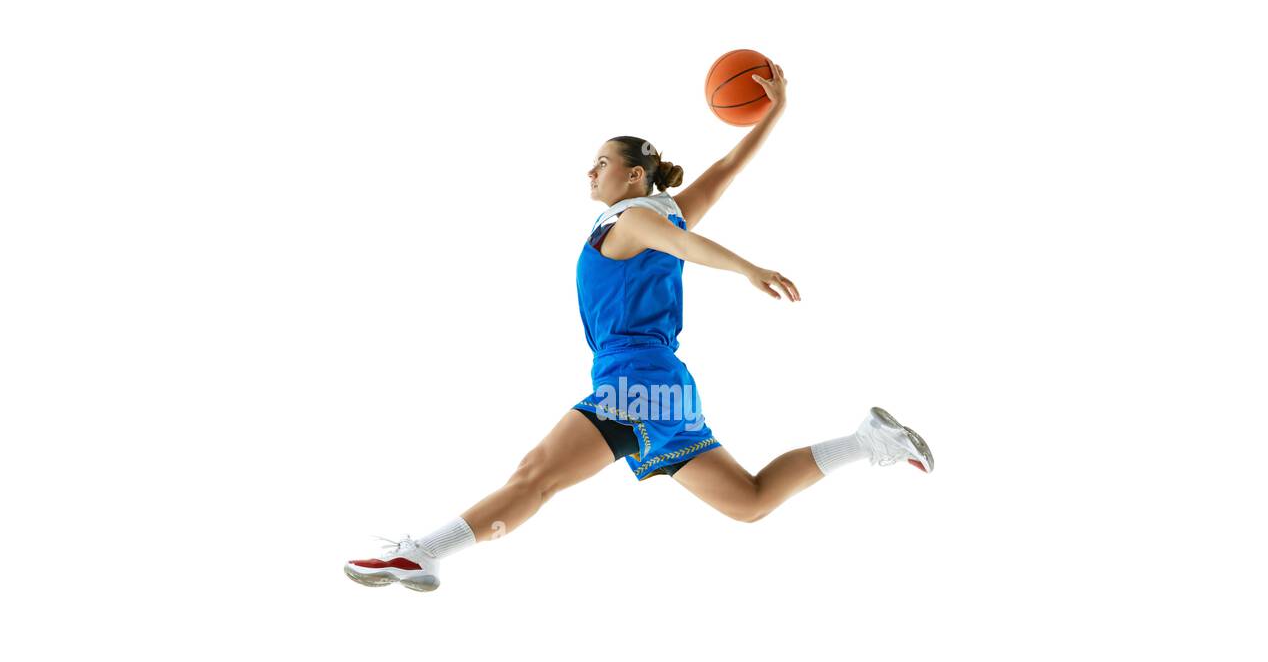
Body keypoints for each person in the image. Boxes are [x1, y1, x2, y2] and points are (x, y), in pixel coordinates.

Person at [344, 63, 932, 592]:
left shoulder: (631, 220)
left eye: (602, 162)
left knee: (536, 477)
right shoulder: (660, 209)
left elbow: (681, 242)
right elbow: (725, 170)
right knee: (747, 502)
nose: (590, 171)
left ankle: (423, 553)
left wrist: (746, 268)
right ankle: (869, 441)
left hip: (636, 382)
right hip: (660, 386)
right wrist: (774, 114)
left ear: (631, 177)